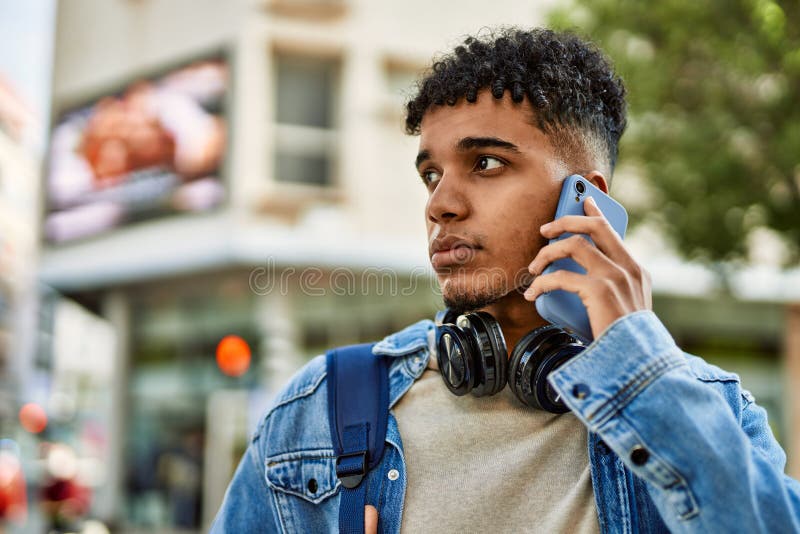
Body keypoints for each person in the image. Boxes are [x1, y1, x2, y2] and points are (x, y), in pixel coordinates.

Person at [211, 27, 800, 533]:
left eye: (485, 163)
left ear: (587, 200)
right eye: (431, 174)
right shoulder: (318, 410)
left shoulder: (707, 409)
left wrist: (640, 364)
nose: (439, 204)